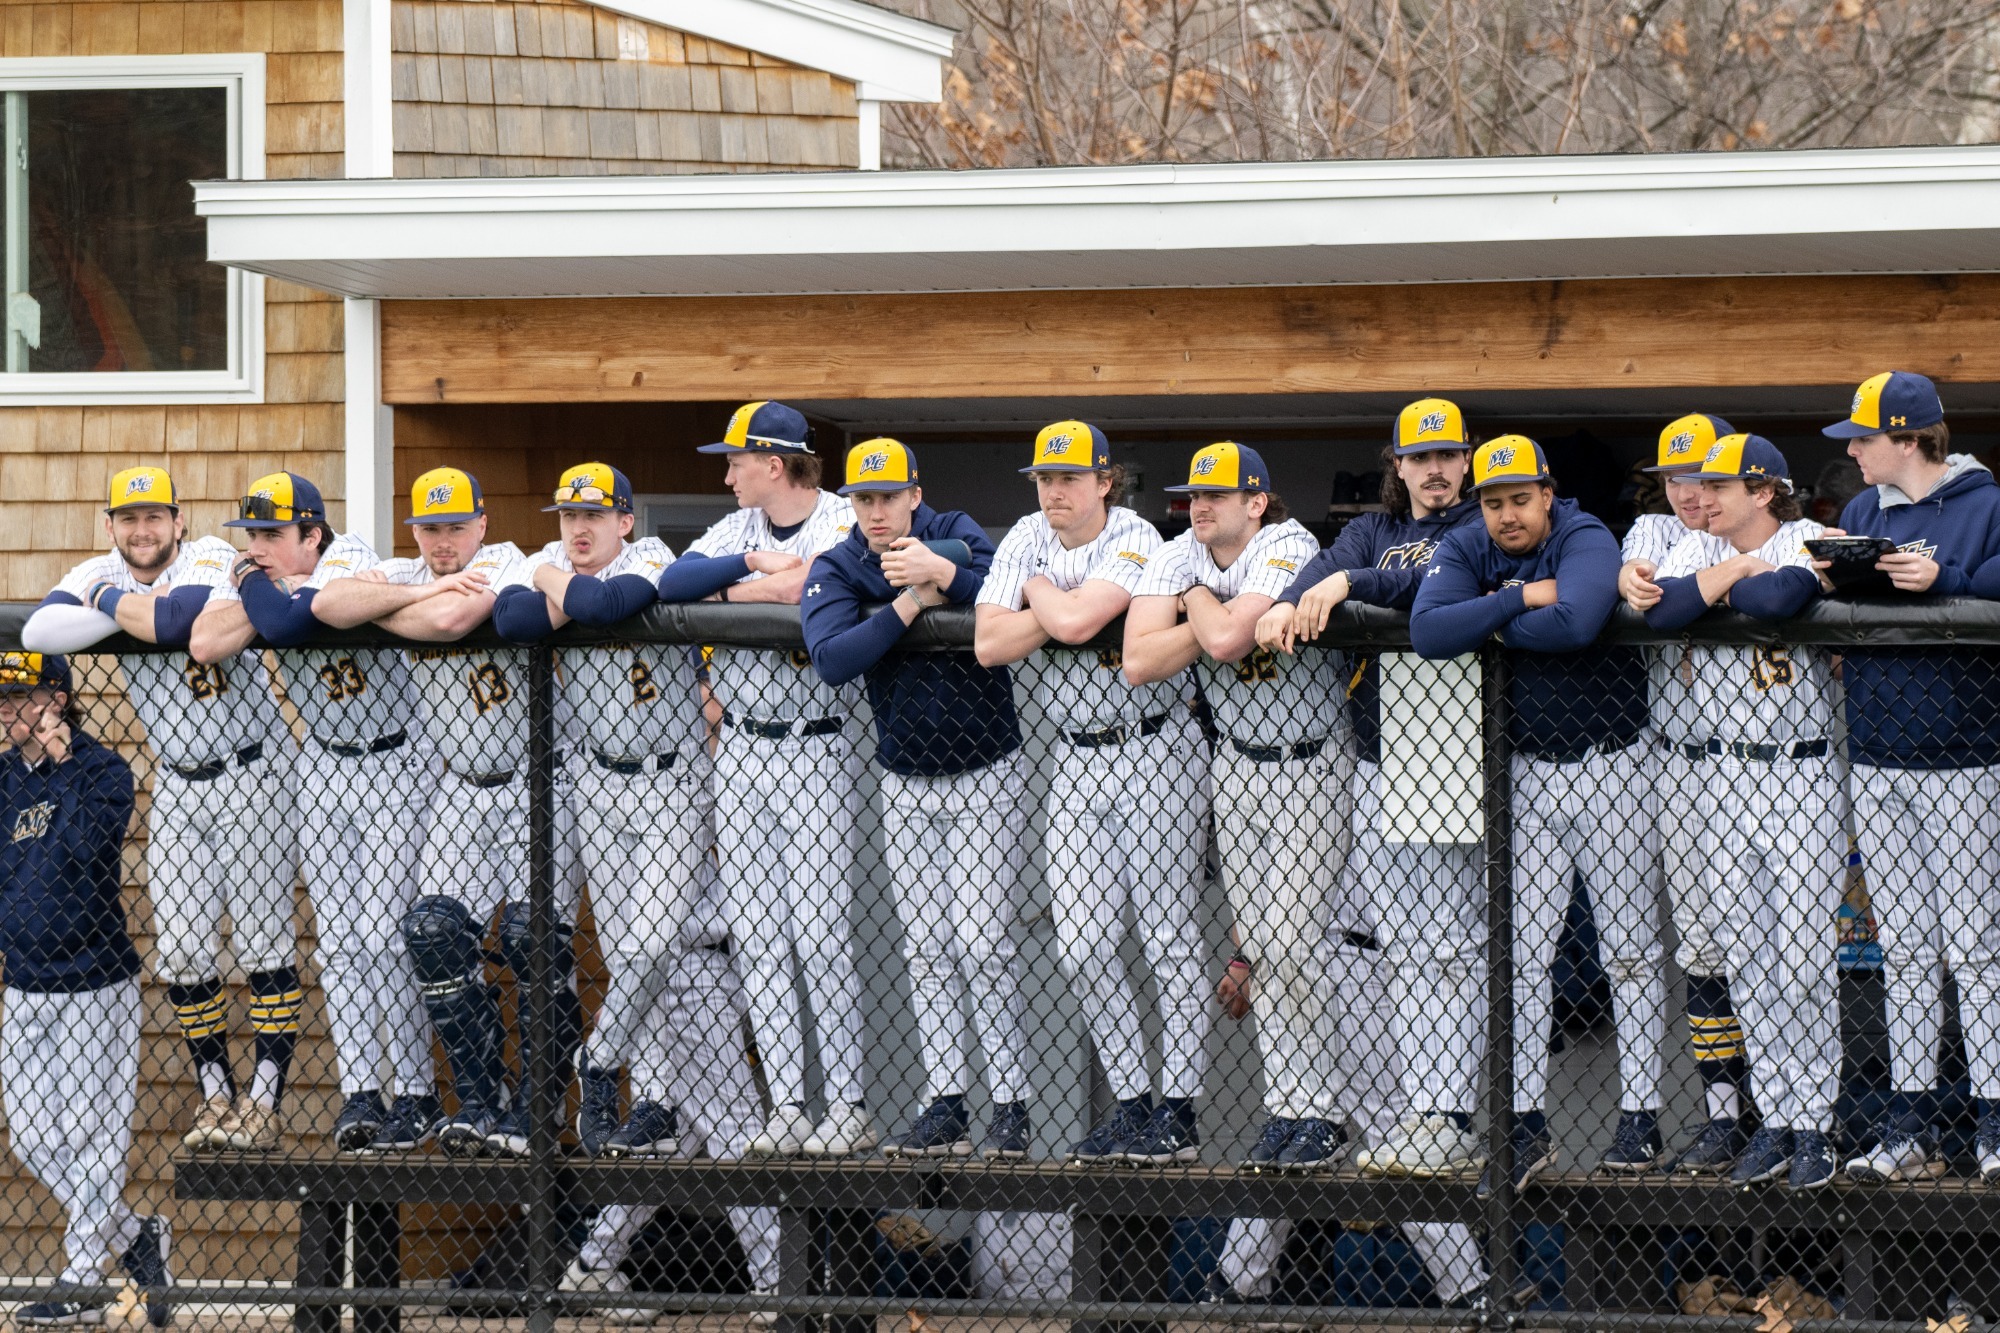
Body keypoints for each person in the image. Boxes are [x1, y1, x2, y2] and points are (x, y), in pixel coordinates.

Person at [1410, 435, 1663, 1189]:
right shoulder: (1468, 543)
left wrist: (1483, 619)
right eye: (1494, 501)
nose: (1508, 514)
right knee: (1520, 953)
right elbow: (1428, 631)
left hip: (1612, 762)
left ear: (1547, 494)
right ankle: (1522, 1124)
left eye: (1521, 498)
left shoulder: (1584, 532)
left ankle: (1641, 1117)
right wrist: (1520, 596)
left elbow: (1579, 621)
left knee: (1630, 948)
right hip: (1524, 773)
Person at [21, 466, 296, 1153]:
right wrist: (123, 598)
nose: (141, 531)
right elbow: (40, 628)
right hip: (177, 780)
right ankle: (216, 1095)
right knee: (182, 948)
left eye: (154, 517)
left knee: (262, 940)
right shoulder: (103, 567)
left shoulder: (207, 552)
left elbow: (178, 621)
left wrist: (108, 601)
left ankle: (264, 1100)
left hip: (252, 768)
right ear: (109, 524)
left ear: (178, 520)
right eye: (128, 518)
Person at [1256, 397, 1488, 1179]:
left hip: (1454, 751)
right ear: (1397, 464)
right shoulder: (1370, 529)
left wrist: (1352, 583)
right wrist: (1338, 581)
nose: (1434, 469)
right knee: (1403, 945)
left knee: (1451, 944)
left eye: (1446, 455)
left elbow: (1433, 584)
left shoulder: (1478, 523)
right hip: (1377, 751)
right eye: (1418, 457)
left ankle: (1452, 1111)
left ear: (1467, 458)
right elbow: (1303, 589)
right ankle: (1426, 1111)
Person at [974, 419, 1209, 1163]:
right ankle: (1136, 1101)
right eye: (1044, 478)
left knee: (1168, 937)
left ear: (1105, 482)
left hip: (1156, 744)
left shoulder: (1136, 534)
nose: (1053, 492)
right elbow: (988, 644)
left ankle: (1179, 1108)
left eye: (1069, 478)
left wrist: (1036, 596)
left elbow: (1075, 620)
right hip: (1076, 758)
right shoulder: (1024, 532)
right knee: (1081, 944)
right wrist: (1054, 608)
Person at [185, 471, 437, 1155]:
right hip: (321, 761)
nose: (258, 546)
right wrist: (263, 587)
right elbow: (207, 642)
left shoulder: (349, 553)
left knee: (384, 934)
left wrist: (261, 590)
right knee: (339, 943)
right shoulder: (259, 579)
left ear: (312, 534)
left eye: (273, 533)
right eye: (253, 535)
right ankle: (362, 1090)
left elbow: (295, 620)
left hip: (394, 758)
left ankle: (414, 1092)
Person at [1124, 442, 1355, 1172]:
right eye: (1193, 495)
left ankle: (1323, 1109)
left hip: (1311, 758)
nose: (1198, 507)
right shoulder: (1184, 548)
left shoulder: (1289, 541)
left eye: (1216, 496)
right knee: (1260, 946)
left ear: (1256, 502)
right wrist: (1204, 603)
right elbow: (1137, 660)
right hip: (1237, 765)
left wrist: (1193, 598)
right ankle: (1288, 1105)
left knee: (1289, 942)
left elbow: (1224, 639)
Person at [311, 467, 555, 1156]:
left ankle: (533, 1110)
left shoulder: (509, 560)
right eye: (431, 529)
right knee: (430, 931)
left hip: (539, 780)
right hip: (462, 784)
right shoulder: (406, 568)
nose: (444, 544)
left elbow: (450, 621)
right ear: (414, 530)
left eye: (455, 528)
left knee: (539, 945)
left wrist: (397, 604)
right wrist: (418, 589)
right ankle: (483, 1096)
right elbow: (328, 604)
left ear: (481, 522)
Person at [800, 438, 1032, 1159]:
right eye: (862, 498)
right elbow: (832, 656)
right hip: (903, 774)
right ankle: (946, 1102)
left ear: (913, 494)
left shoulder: (954, 529)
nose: (874, 510)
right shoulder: (842, 561)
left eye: (887, 496)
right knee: (928, 947)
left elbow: (1009, 586)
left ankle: (1013, 1106)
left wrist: (942, 572)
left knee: (983, 941)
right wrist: (908, 602)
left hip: (987, 766)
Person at [654, 401, 874, 1158]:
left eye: (737, 460)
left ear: (774, 464)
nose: (726, 473)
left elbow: (810, 587)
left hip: (818, 743)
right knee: (760, 938)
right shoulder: (739, 532)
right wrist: (751, 571)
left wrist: (758, 591)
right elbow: (675, 583)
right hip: (742, 746)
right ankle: (787, 1105)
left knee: (818, 933)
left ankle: (843, 1104)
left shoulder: (844, 518)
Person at [1633, 434, 1844, 1190]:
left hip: (1801, 770)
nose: (1703, 496)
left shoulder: (1810, 536)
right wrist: (1737, 570)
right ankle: (1778, 1118)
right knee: (1749, 957)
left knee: (1804, 960)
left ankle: (1816, 1123)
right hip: (1722, 777)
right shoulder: (1699, 548)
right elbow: (1663, 616)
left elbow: (1785, 599)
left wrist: (1747, 579)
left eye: (1721, 485)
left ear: (1763, 491)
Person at [1815, 372, 2000, 1184]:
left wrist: (1950, 585)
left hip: (1966, 753)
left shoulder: (1984, 500)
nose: (1851, 450)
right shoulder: (1862, 512)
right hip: (1880, 749)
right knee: (1908, 952)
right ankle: (1910, 1121)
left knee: (1977, 947)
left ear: (1909, 436)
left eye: (1862, 437)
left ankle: (1994, 1124)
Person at [494, 462, 703, 1161]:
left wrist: (561, 590)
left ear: (623, 519)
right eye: (567, 516)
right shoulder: (547, 560)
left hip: (671, 774)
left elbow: (613, 606)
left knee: (653, 941)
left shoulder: (651, 553)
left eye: (592, 516)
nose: (577, 529)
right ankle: (652, 1099)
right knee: (624, 954)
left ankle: (601, 1055)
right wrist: (565, 589)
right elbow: (515, 618)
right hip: (598, 781)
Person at [0, 652, 171, 1328]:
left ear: (61, 700)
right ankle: (133, 1236)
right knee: (34, 1136)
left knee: (92, 1134)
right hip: (24, 982)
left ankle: (81, 1280)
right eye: (3, 699)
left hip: (94, 980)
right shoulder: (2, 778)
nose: (10, 710)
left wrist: (64, 764)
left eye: (25, 697)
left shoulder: (103, 771)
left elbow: (85, 845)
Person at [1618, 413, 1758, 1174]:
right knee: (1701, 945)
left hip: (1760, 765)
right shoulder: (1649, 528)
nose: (1688, 492)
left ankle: (1782, 1105)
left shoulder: (1753, 536)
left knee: (1768, 946)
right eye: (1675, 477)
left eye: (1703, 476)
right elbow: (1647, 597)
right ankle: (1722, 1113)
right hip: (1676, 764)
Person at [560, 859, 782, 1325]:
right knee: (735, 1126)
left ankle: (592, 1265)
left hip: (714, 964)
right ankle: (776, 1278)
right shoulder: (677, 798)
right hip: (690, 965)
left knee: (679, 1134)